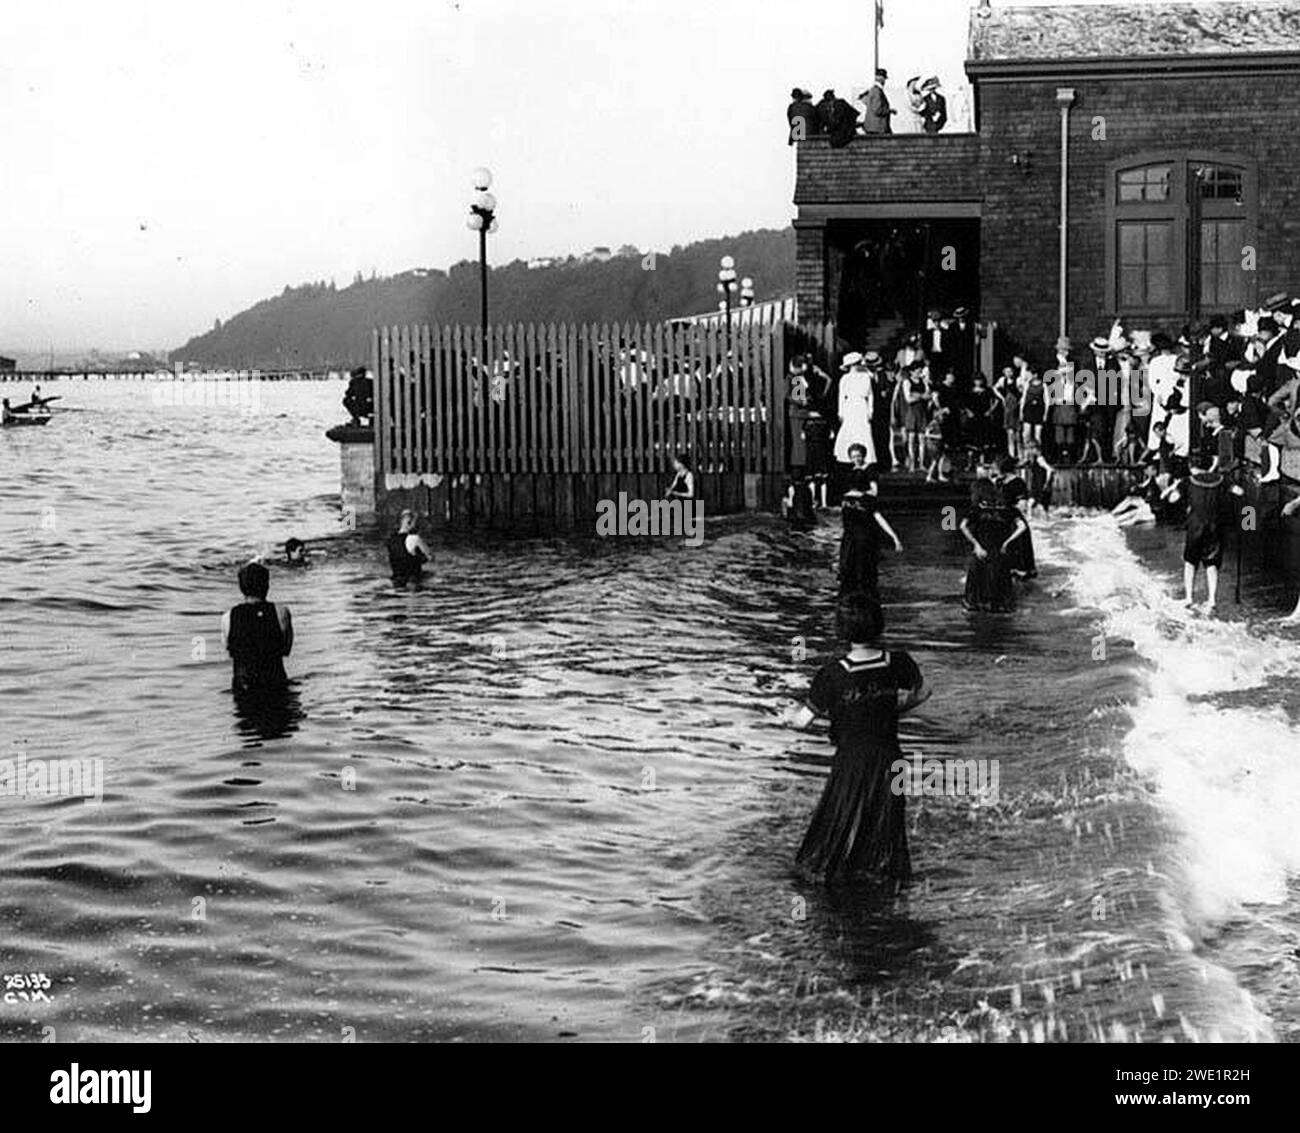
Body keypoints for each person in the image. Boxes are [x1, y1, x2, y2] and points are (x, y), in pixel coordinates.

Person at [786, 594, 930, 886]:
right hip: (890, 758)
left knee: (840, 820)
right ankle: (885, 877)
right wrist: (889, 711)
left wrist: (786, 714)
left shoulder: (831, 675)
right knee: (886, 823)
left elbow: (802, 721)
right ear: (879, 625)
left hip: (851, 762)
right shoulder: (898, 662)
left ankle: (841, 876)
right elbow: (923, 691)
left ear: (841, 630)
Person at [1167, 455, 1244, 611]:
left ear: (1191, 466)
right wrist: (1248, 521)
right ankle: (1212, 600)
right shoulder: (1222, 480)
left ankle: (1189, 598)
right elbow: (1239, 492)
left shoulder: (1188, 481)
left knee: (1190, 562)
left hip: (1195, 526)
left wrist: (1174, 488)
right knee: (1212, 563)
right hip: (1215, 527)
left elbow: (1172, 500)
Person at [838, 449, 903, 600]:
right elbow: (879, 519)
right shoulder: (867, 500)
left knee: (848, 574)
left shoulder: (844, 500)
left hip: (848, 542)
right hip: (865, 541)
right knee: (866, 575)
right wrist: (894, 537)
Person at [221, 560, 293, 693]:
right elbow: (286, 649)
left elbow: (229, 651)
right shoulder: (281, 612)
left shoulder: (228, 617)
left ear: (241, 587)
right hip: (275, 684)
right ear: (266, 585)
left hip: (243, 688)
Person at [960, 478, 1028, 612]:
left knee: (974, 597)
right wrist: (1007, 542)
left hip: (981, 552)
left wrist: (976, 545)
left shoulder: (977, 510)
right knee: (1000, 593)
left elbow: (963, 526)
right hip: (1000, 552)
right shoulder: (1008, 510)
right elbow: (1022, 527)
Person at [833, 352, 876, 473]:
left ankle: (864, 457)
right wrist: (840, 412)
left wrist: (870, 410)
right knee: (850, 430)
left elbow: (870, 395)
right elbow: (841, 397)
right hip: (850, 407)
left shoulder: (866, 377)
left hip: (862, 406)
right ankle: (848, 457)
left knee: (863, 431)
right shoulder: (845, 379)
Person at [387, 508, 433, 585]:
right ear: (409, 523)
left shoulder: (391, 540)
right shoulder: (414, 538)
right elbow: (430, 557)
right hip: (413, 579)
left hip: (395, 579)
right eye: (415, 523)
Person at [860, 68, 893, 135]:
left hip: (872, 127)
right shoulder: (877, 92)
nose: (884, 81)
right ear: (881, 78)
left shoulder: (873, 90)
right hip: (878, 127)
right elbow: (877, 110)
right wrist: (889, 110)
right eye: (884, 78)